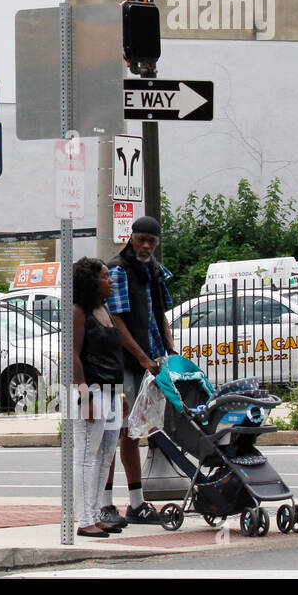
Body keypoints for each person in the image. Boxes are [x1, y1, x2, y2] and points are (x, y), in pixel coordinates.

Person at [102, 216, 176, 526]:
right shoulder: (118, 269)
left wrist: (169, 352)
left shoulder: (154, 271)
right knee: (113, 433)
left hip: (152, 362)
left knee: (134, 434)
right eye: (141, 239)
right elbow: (118, 321)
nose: (146, 245)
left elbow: (161, 316)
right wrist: (143, 358)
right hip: (125, 364)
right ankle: (104, 504)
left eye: (151, 241)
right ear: (131, 238)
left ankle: (136, 504)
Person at [72, 257, 125, 537]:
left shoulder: (105, 310)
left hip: (112, 391)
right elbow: (73, 355)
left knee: (105, 456)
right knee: (86, 457)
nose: (111, 281)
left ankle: (95, 514)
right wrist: (84, 397)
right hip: (91, 391)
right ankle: (84, 521)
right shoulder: (79, 312)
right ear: (92, 282)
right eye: (105, 277)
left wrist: (121, 393)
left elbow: (113, 355)